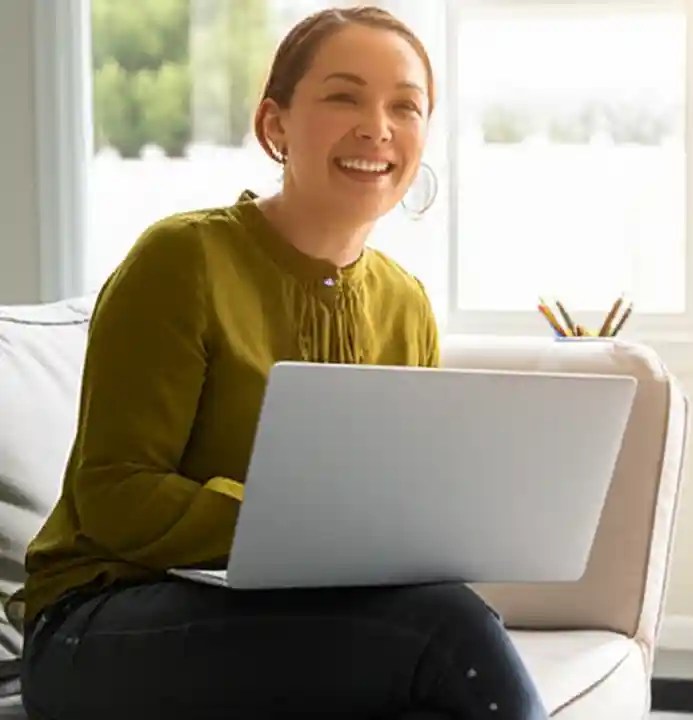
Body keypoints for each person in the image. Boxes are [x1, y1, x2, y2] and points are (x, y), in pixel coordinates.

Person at [15, 7, 548, 720]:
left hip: (284, 613)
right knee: (449, 629)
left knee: (430, 679)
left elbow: (391, 504)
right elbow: (116, 495)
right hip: (99, 621)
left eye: (405, 106)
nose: (378, 126)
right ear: (276, 126)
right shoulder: (182, 261)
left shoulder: (406, 304)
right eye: (343, 96)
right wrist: (299, 525)